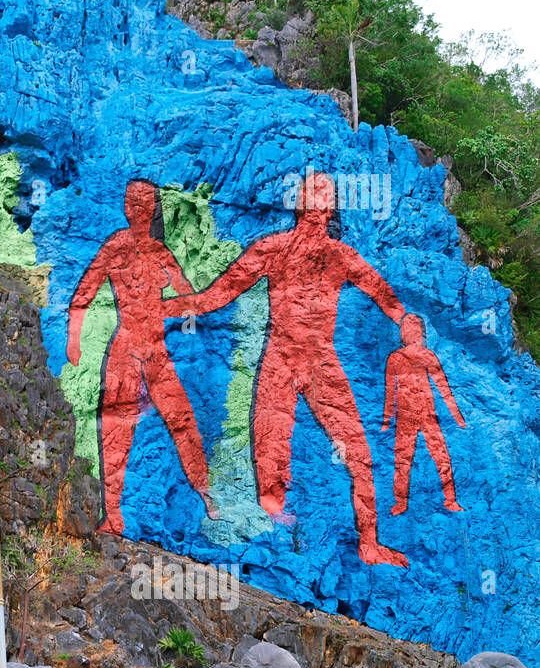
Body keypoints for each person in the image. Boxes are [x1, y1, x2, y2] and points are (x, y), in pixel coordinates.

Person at [166, 172, 409, 566]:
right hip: (280, 355)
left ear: (331, 209)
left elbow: (380, 289)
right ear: (299, 203)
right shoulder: (273, 249)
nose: (317, 204)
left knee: (359, 454)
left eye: (325, 197)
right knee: (269, 445)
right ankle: (271, 524)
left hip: (321, 360)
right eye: (312, 195)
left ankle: (369, 543)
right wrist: (172, 307)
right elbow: (219, 294)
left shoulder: (338, 255)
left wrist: (406, 323)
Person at [67, 179, 215, 535]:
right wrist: (74, 339)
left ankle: (206, 493)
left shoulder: (161, 253)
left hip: (157, 352)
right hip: (124, 349)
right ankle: (112, 512)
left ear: (153, 209)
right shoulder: (116, 246)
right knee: (116, 428)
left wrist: (171, 308)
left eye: (146, 202)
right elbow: (84, 291)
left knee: (183, 420)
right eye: (132, 201)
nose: (138, 209)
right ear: (125, 206)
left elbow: (190, 298)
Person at [382, 313, 466, 514]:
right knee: (422, 458)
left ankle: (447, 500)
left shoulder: (423, 356)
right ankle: (407, 503)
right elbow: (391, 391)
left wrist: (457, 416)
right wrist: (386, 419)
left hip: (423, 414)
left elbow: (442, 386)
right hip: (411, 416)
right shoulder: (400, 358)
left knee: (428, 457)